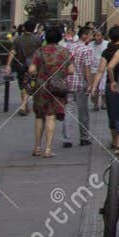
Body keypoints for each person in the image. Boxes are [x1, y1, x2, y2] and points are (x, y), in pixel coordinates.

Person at [26, 25, 73, 158]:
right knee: (50, 116)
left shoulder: (39, 51)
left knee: (39, 116)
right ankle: (48, 149)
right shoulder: (65, 52)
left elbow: (31, 70)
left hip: (41, 88)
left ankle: (37, 147)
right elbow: (71, 70)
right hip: (57, 88)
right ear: (59, 37)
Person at [61, 24, 100, 148]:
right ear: (84, 35)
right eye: (90, 35)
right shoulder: (86, 49)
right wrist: (89, 84)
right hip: (80, 83)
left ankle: (67, 139)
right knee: (83, 111)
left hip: (68, 82)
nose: (91, 38)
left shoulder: (69, 47)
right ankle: (84, 137)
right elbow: (87, 68)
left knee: (68, 111)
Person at [11, 20, 40, 117]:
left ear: (23, 28)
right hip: (33, 66)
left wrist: (7, 64)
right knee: (29, 84)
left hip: (20, 66)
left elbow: (13, 52)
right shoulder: (37, 40)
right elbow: (40, 53)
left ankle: (24, 106)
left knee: (23, 85)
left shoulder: (17, 39)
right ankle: (24, 106)